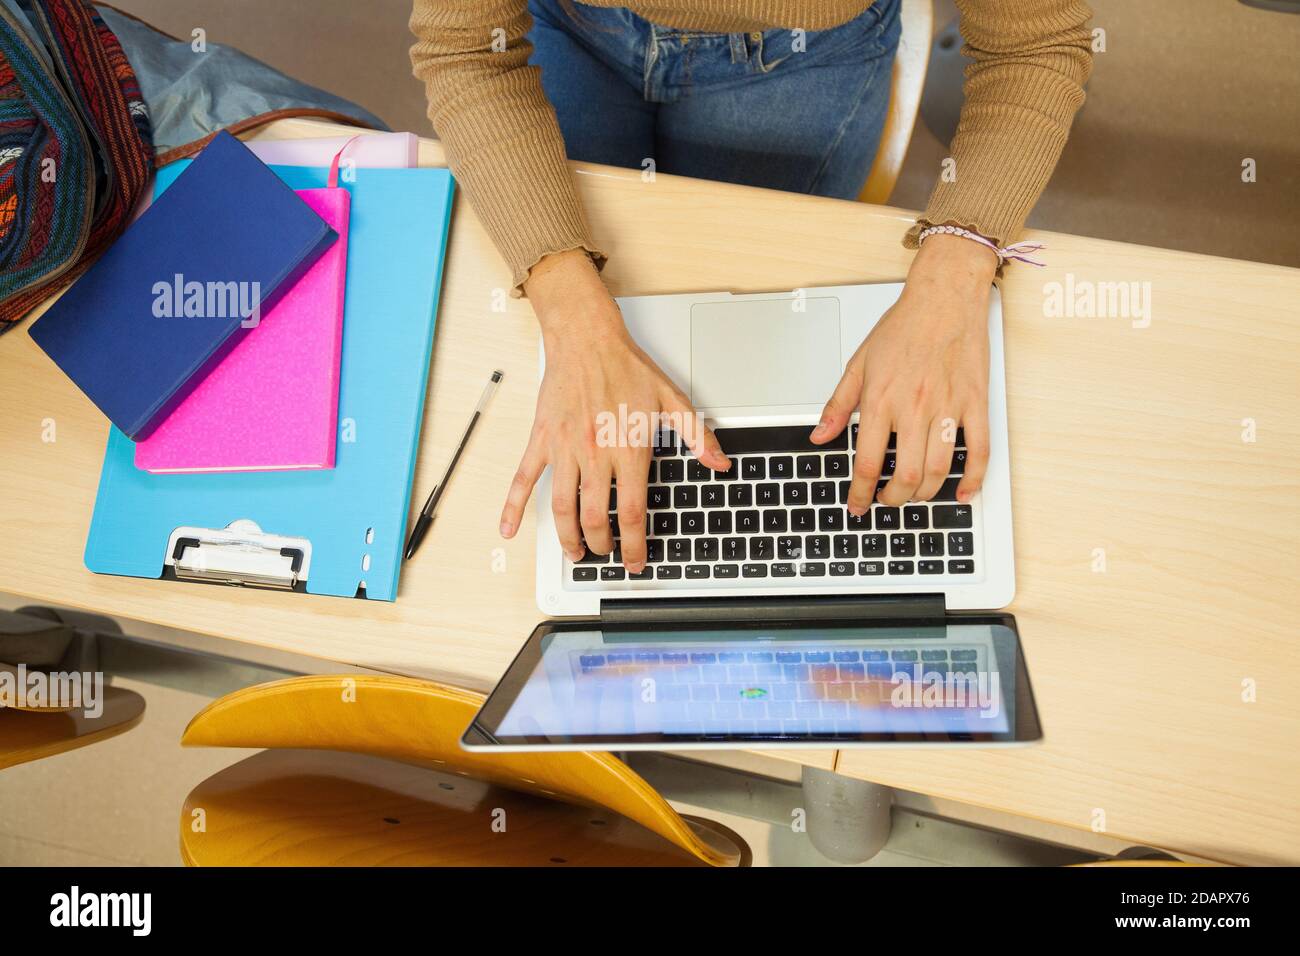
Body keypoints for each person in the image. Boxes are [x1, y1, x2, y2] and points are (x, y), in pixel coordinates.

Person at [409, 1, 1094, 573]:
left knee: (757, 342)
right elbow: (465, 47)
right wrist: (570, 317)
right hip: (576, 27)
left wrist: (958, 272)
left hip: (802, 60)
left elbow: (1033, 47)